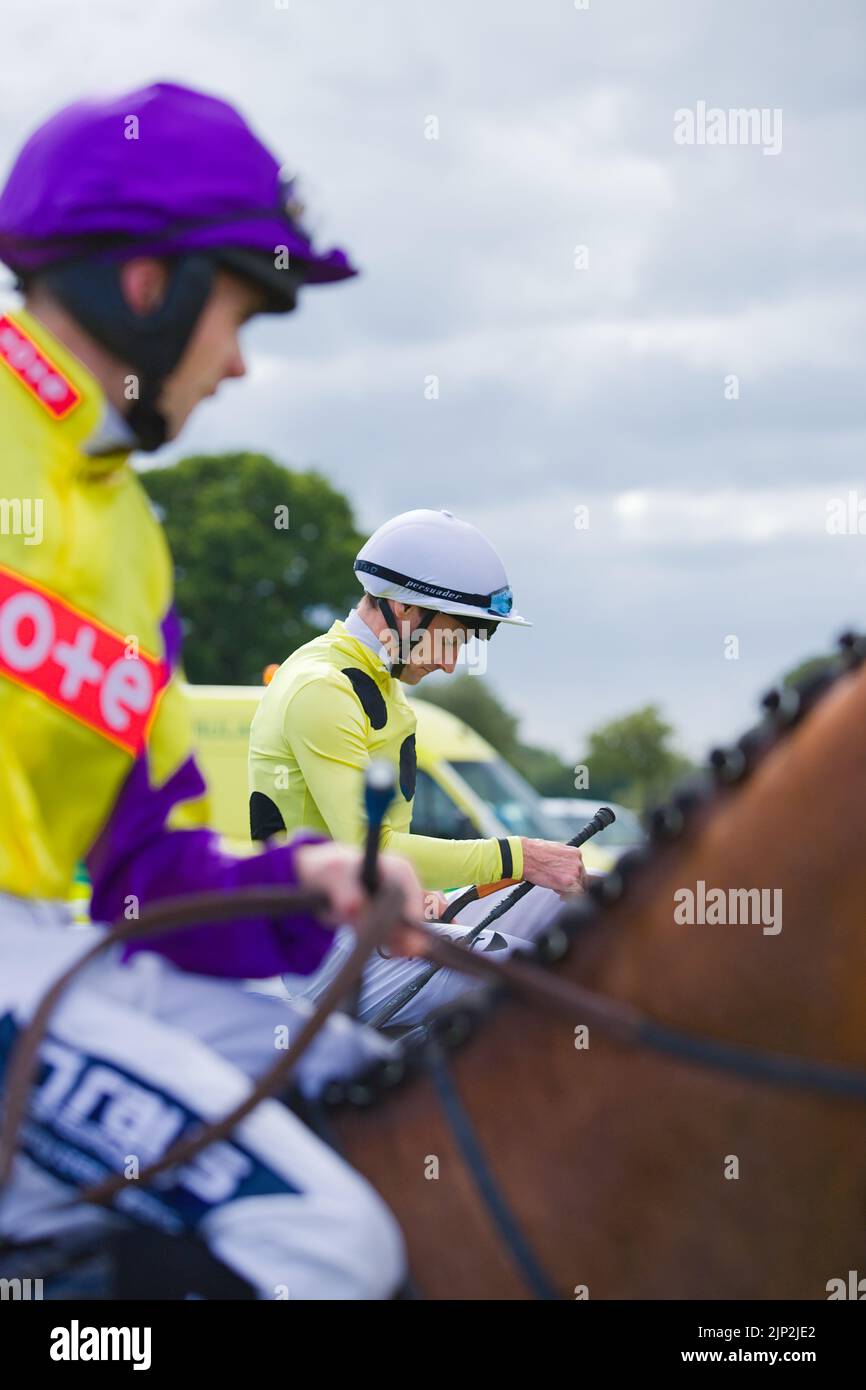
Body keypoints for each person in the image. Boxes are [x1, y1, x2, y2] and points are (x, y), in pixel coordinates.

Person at [0, 81, 418, 1299]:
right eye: (239, 315)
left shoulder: (133, 538)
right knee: (323, 1245)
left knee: (385, 1082)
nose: (237, 364)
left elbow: (148, 879)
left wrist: (310, 882)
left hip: (52, 959)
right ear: (149, 285)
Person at [248, 508, 586, 1024]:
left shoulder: (386, 689)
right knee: (540, 974)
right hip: (313, 946)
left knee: (578, 916)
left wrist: (421, 894)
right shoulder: (323, 687)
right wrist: (520, 855)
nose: (452, 663)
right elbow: (375, 851)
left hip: (365, 922)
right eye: (453, 637)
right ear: (405, 610)